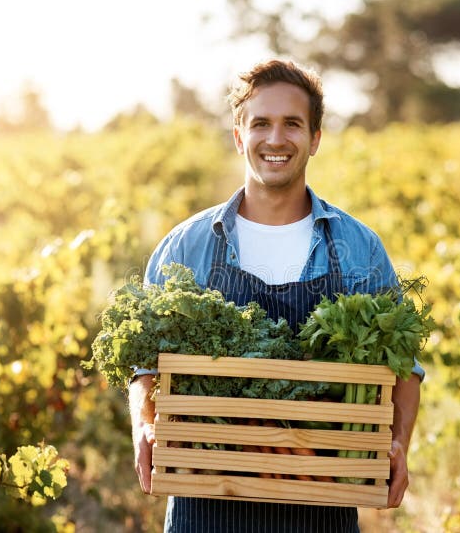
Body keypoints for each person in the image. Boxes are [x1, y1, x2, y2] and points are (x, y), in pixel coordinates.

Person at [128, 58, 424, 533]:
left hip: (323, 501)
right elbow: (144, 362)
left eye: (292, 124)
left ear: (315, 138)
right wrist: (145, 423)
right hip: (205, 505)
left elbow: (404, 365)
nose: (275, 139)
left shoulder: (356, 248)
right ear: (238, 136)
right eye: (260, 123)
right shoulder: (189, 246)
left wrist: (397, 443)